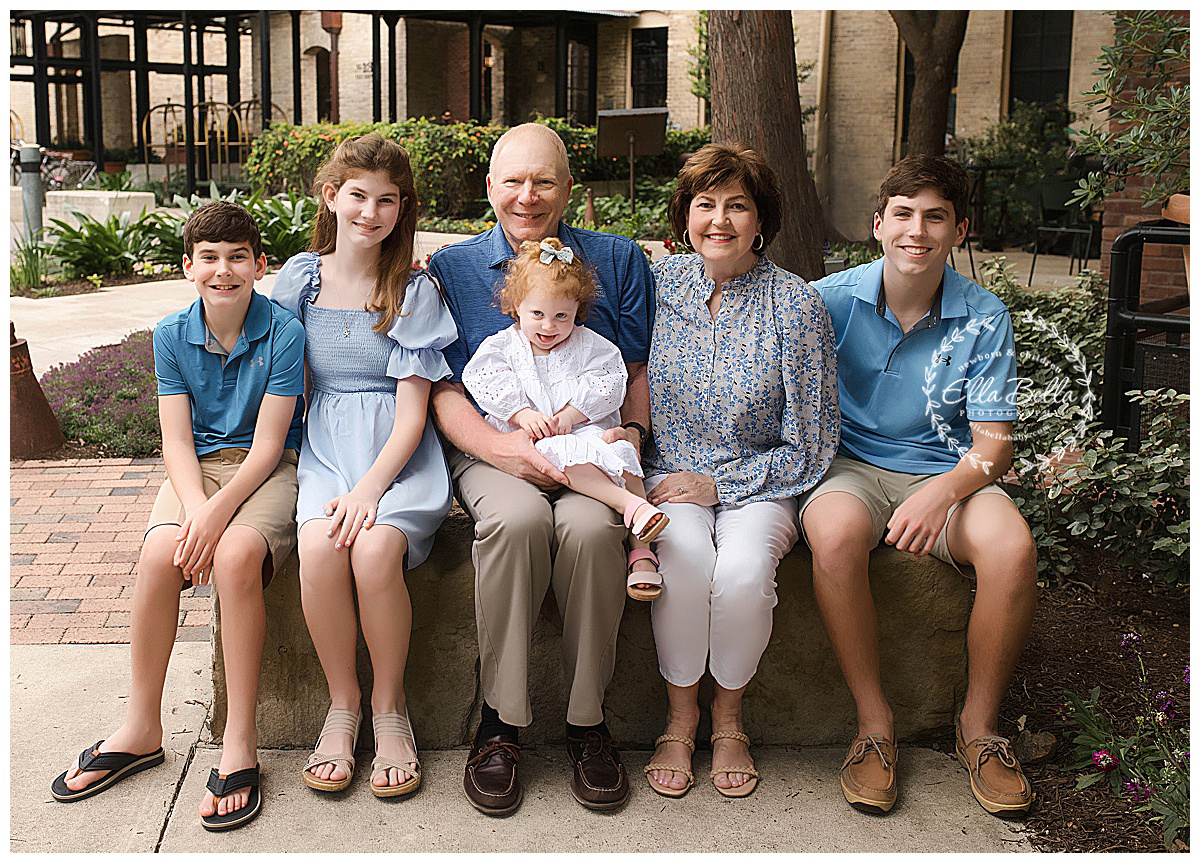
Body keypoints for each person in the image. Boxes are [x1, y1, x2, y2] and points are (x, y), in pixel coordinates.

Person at [51, 201, 305, 831]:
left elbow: (271, 445)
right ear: (188, 267)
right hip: (198, 472)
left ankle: (239, 738)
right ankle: (141, 725)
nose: (224, 271)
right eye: (210, 259)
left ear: (259, 264)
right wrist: (196, 512)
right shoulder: (170, 335)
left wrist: (215, 519)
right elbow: (176, 442)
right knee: (159, 554)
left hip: (265, 468)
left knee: (238, 555)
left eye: (238, 258)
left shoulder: (283, 331)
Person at [427, 122, 654, 814]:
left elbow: (635, 366)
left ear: (567, 188)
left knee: (589, 533)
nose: (528, 196)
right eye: (514, 180)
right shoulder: (453, 269)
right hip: (495, 445)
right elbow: (440, 384)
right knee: (519, 521)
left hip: (589, 447)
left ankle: (588, 723)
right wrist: (499, 449)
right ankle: (500, 724)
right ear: (489, 186)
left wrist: (631, 441)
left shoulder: (617, 261)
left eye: (544, 180)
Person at [803, 154, 1036, 816]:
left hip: (948, 472)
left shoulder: (985, 316)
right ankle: (876, 728)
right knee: (834, 532)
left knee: (1012, 546)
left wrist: (942, 492)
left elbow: (996, 445)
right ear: (877, 225)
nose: (917, 230)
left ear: (958, 231)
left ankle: (980, 731)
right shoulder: (827, 300)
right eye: (903, 214)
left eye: (935, 217)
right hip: (850, 468)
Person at [640, 142, 840, 799]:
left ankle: (728, 720)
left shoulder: (796, 305)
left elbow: (812, 441)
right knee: (687, 560)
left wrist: (721, 485)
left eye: (737, 205)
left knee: (745, 571)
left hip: (762, 480)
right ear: (685, 216)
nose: (719, 219)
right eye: (705, 204)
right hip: (670, 473)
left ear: (761, 220)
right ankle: (679, 718)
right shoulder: (661, 285)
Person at [271, 134, 457, 800]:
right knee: (319, 546)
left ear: (401, 206)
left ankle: (390, 708)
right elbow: (279, 380)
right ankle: (342, 707)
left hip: (396, 456)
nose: (370, 212)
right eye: (358, 195)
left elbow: (413, 414)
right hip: (326, 448)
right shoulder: (301, 278)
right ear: (331, 195)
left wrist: (372, 487)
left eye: (386, 200)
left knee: (374, 549)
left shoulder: (412, 289)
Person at [461, 237, 667, 600]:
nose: (549, 326)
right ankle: (630, 506)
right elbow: (483, 380)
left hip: (585, 428)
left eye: (562, 316)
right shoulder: (502, 347)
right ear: (516, 308)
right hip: (536, 440)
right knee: (561, 451)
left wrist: (573, 414)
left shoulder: (590, 345)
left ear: (577, 312)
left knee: (622, 450)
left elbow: (609, 380)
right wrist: (521, 413)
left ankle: (641, 554)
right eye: (537, 314)